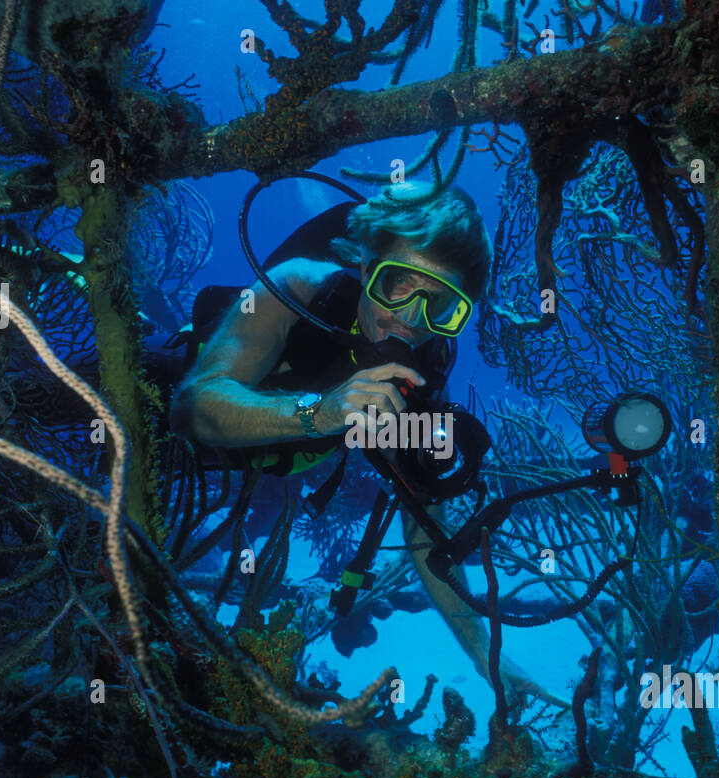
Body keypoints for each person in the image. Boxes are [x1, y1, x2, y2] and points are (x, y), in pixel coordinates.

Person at [170, 181, 567, 710]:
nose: (409, 317)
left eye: (440, 304)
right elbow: (192, 406)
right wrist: (321, 412)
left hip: (259, 471)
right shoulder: (296, 289)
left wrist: (485, 655)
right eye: (397, 283)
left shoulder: (423, 371)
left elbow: (428, 528)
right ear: (363, 266)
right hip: (160, 425)